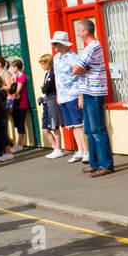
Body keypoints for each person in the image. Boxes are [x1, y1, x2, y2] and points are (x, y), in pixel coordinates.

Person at [72, 19, 114, 177]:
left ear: (85, 31)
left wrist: (82, 70)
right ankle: (95, 163)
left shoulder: (93, 46)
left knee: (98, 130)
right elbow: (77, 69)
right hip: (89, 91)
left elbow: (75, 69)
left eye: (79, 30)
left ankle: (106, 165)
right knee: (89, 130)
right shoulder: (89, 47)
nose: (77, 33)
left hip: (95, 92)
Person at [51, 31, 88, 165]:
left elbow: (81, 77)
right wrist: (58, 94)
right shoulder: (56, 58)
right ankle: (80, 150)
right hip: (63, 96)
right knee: (71, 125)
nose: (54, 45)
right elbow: (57, 76)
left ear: (63, 44)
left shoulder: (74, 58)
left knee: (79, 125)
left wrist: (81, 95)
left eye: (56, 43)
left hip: (73, 94)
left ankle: (86, 151)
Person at [38, 54, 64, 157]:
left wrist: (44, 88)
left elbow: (47, 88)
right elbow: (45, 88)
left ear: (48, 63)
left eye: (43, 64)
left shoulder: (53, 74)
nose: (41, 66)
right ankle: (55, 147)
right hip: (46, 101)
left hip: (52, 101)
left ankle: (58, 148)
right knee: (45, 129)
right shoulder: (47, 74)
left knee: (55, 126)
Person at [9, 58, 31, 151]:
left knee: (21, 122)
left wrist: (16, 94)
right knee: (19, 122)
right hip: (20, 102)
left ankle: (19, 144)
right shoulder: (18, 76)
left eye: (13, 67)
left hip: (22, 102)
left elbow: (19, 88)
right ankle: (19, 143)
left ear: (16, 67)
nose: (12, 69)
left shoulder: (21, 76)